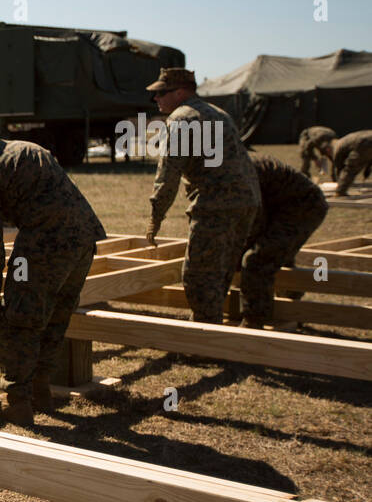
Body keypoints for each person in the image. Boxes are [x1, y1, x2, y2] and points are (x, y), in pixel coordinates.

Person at [0, 107, 105, 427]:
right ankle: (40, 390)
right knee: (54, 316)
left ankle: (16, 402)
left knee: (18, 320)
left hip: (44, 245)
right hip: (84, 239)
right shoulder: (26, 148)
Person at [144, 67, 261, 324]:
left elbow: (168, 174)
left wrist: (156, 217)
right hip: (246, 201)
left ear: (181, 92)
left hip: (216, 205)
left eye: (162, 93)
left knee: (198, 274)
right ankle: (211, 325)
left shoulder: (182, 119)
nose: (156, 99)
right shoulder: (218, 113)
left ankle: (205, 338)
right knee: (221, 269)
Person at [240, 155, 327, 328]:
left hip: (304, 206)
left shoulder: (243, 173)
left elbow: (255, 220)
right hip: (281, 206)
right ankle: (293, 309)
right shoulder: (235, 167)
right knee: (276, 256)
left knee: (257, 260)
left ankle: (254, 323)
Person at [332, 130, 372, 196]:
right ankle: (341, 190)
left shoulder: (338, 148)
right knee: (352, 167)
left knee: (351, 168)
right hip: (364, 142)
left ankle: (340, 191)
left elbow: (341, 167)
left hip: (364, 142)